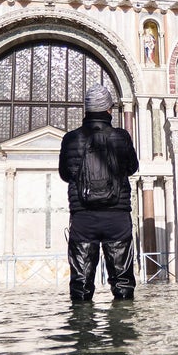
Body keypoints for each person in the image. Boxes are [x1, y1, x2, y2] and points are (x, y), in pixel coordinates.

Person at [58, 84, 139, 301]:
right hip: (117, 217)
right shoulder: (121, 136)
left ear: (87, 109)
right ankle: (122, 320)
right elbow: (132, 168)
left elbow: (65, 174)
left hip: (83, 218)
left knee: (81, 284)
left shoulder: (71, 138)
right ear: (108, 109)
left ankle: (82, 321)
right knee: (123, 282)